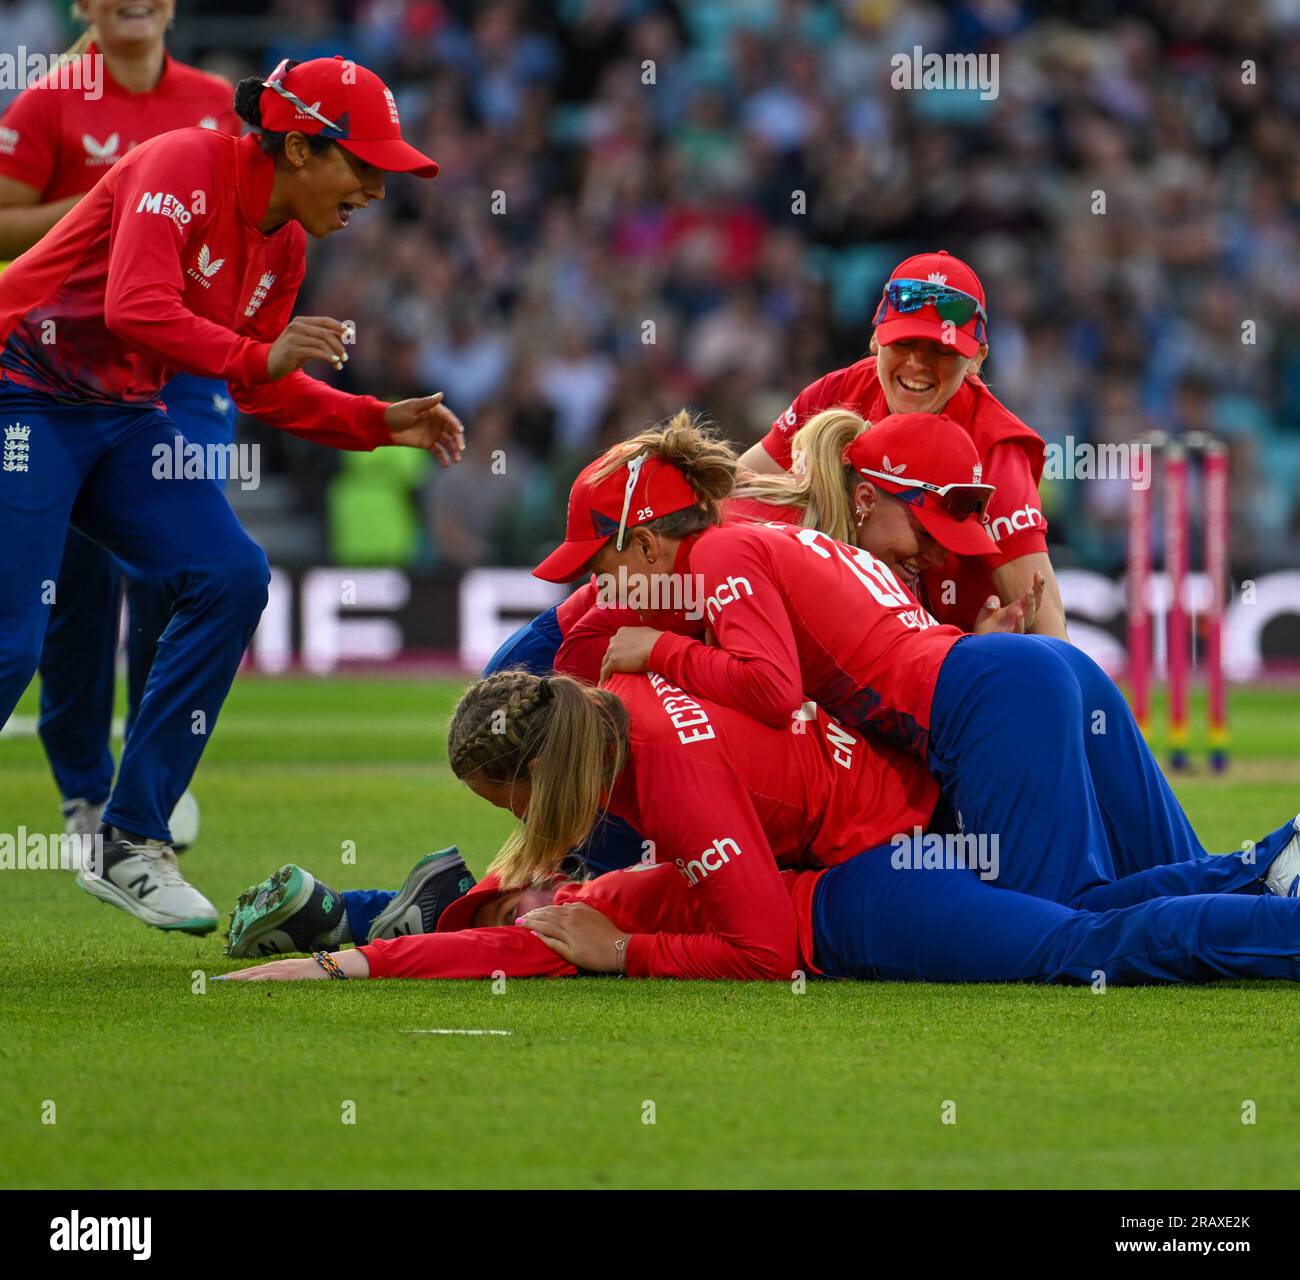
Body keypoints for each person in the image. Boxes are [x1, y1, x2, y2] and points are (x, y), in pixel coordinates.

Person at [0, 55, 464, 934]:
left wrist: (374, 421)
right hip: (16, 383)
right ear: (297, 148)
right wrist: (260, 355)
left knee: (231, 575)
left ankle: (130, 840)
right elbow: (140, 308)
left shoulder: (283, 244)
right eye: (362, 166)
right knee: (10, 644)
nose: (373, 190)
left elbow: (258, 386)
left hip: (120, 415)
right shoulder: (181, 163)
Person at [540, 414, 1296, 909]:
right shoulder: (791, 537)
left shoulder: (725, 546)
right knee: (1170, 879)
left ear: (641, 541)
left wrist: (656, 649)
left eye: (601, 567)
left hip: (993, 693)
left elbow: (773, 693)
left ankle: (1276, 850)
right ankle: (1270, 875)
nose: (935, 554)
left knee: (1068, 923)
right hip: (1036, 673)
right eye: (929, 531)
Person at [218, 669, 1300, 988]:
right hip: (892, 826)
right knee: (1080, 917)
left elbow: (764, 948)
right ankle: (1266, 860)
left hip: (852, 894)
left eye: (501, 802)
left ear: (535, 773)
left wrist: (625, 951)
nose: (520, 857)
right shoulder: (621, 705)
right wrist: (345, 963)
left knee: (1076, 948)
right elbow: (489, 940)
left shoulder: (660, 786)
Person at [0, 0, 244, 844]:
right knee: (73, 585)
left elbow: (247, 211)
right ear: (83, 6)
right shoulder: (46, 100)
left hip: (183, 366)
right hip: (68, 364)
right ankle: (83, 789)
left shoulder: (216, 100)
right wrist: (121, 197)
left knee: (186, 566)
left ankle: (152, 776)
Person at [736, 251, 1070, 638]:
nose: (917, 364)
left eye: (942, 351)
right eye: (904, 342)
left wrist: (984, 656)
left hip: (946, 664)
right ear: (876, 337)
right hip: (840, 637)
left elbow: (1049, 627)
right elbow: (738, 490)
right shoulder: (837, 392)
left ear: (977, 359)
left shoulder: (996, 449)